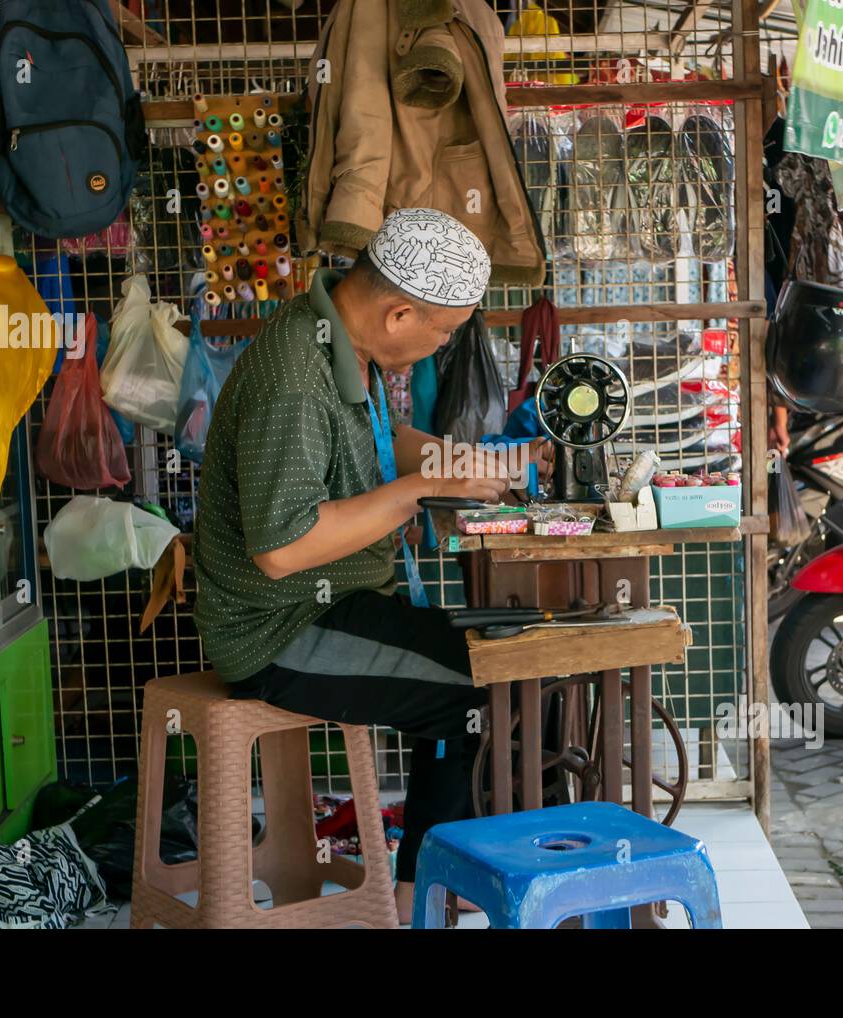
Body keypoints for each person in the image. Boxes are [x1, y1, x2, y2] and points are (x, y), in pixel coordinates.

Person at [192, 208, 551, 923]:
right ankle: (429, 901)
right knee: (477, 692)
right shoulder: (294, 375)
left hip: (341, 601)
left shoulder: (343, 341)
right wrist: (416, 491)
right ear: (399, 314)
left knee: (509, 658)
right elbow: (282, 548)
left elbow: (386, 449)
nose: (439, 347)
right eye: (442, 333)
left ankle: (462, 884)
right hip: (278, 630)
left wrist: (482, 464)